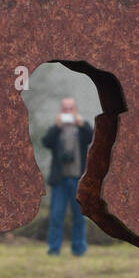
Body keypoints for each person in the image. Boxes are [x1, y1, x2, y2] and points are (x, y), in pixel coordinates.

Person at [42, 97, 94, 256]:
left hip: (79, 181)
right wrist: (57, 127)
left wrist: (82, 124)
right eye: (65, 109)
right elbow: (46, 142)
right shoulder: (56, 130)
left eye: (71, 109)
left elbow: (94, 137)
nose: (68, 112)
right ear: (61, 111)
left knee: (79, 218)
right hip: (60, 181)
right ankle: (54, 249)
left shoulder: (82, 129)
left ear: (75, 110)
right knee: (56, 217)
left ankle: (78, 250)